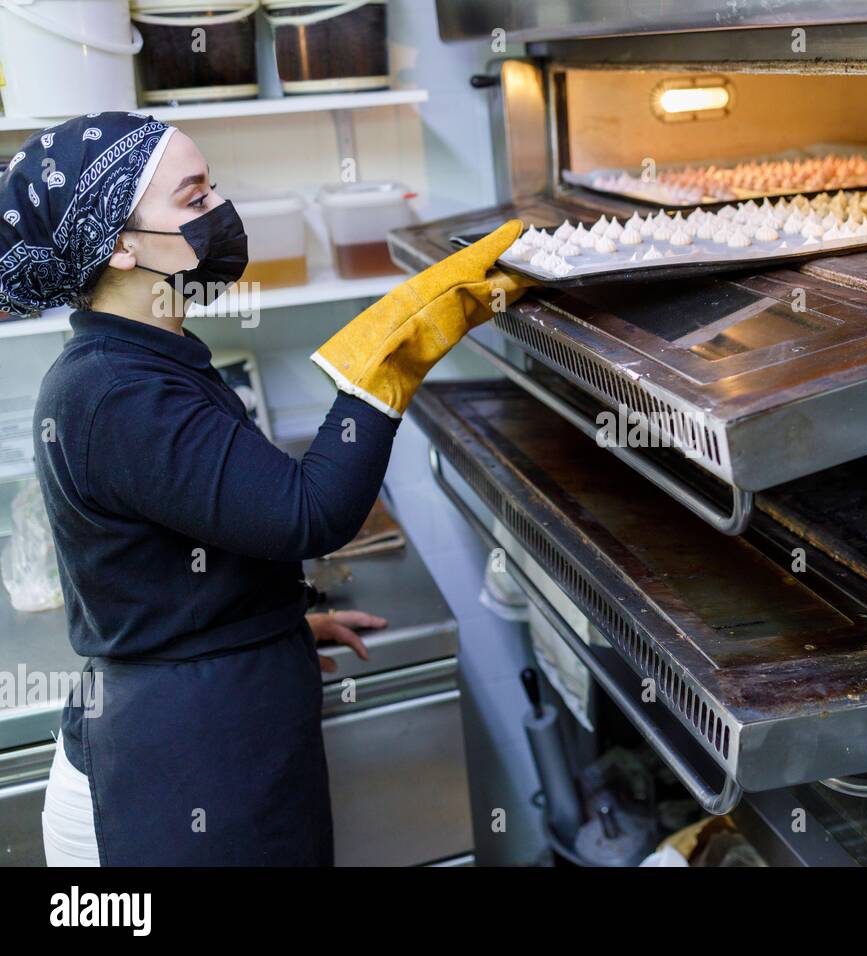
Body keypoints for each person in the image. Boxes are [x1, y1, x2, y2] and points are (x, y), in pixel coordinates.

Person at [0, 112, 526, 865]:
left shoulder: (151, 351)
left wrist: (271, 631)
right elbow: (307, 513)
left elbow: (194, 536)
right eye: (192, 198)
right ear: (118, 241)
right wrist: (387, 358)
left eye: (213, 186)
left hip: (212, 719)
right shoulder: (114, 392)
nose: (219, 210)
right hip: (172, 774)